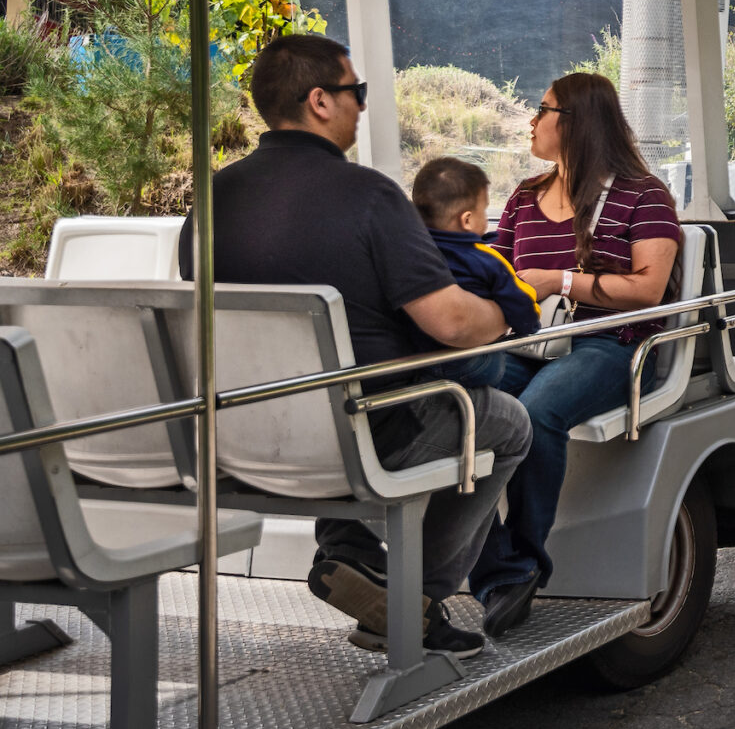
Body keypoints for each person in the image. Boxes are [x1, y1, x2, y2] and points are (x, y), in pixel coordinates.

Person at [182, 35, 530, 660]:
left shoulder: (209, 200)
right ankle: (411, 601)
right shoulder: (371, 197)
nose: (361, 108)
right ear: (320, 100)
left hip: (232, 437)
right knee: (505, 420)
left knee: (357, 390)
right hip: (360, 437)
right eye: (356, 93)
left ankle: (349, 550)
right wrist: (505, 312)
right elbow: (451, 322)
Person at [467, 72, 681, 638]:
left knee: (536, 415)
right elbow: (498, 273)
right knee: (455, 407)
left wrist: (558, 279)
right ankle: (497, 571)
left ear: (577, 123)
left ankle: (525, 565)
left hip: (608, 343)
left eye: (543, 110)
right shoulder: (524, 196)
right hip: (529, 340)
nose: (532, 121)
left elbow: (647, 291)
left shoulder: (642, 196)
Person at [411, 157, 544, 390]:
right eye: (483, 210)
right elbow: (521, 301)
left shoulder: (413, 253)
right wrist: (531, 323)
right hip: (469, 364)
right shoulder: (486, 259)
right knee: (497, 362)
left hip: (415, 359)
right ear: (468, 220)